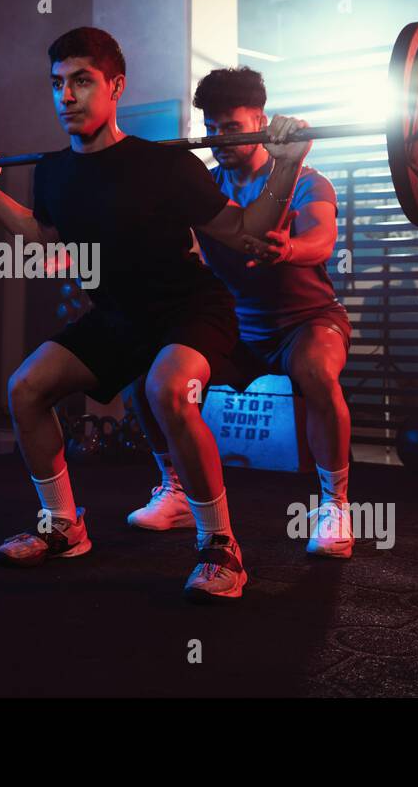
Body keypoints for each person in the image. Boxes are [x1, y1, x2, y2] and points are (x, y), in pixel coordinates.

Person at [0, 27, 313, 602]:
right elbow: (43, 233)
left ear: (115, 86)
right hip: (118, 316)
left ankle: (220, 546)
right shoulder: (53, 171)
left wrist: (286, 166)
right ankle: (64, 527)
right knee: (26, 388)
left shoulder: (166, 165)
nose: (65, 97)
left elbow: (249, 237)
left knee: (168, 390)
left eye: (80, 81)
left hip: (189, 309)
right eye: (56, 84)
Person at [124, 67, 355, 559]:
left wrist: (288, 249)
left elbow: (322, 239)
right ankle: (177, 491)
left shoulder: (308, 180)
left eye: (232, 127)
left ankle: (335, 506)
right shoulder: (203, 189)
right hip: (234, 326)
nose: (218, 139)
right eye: (211, 128)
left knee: (316, 371)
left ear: (262, 122)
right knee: (145, 371)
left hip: (306, 320)